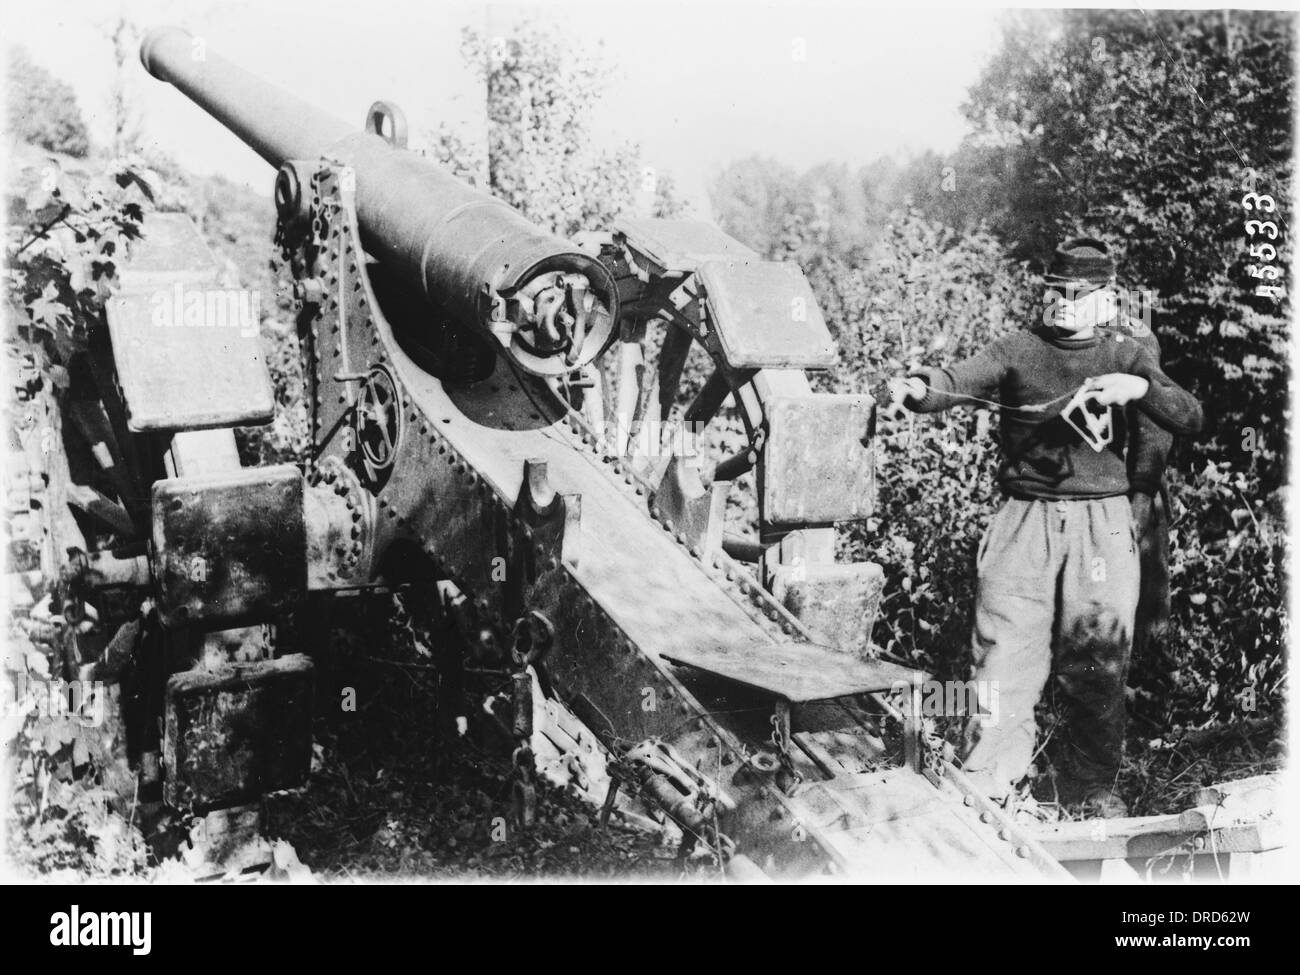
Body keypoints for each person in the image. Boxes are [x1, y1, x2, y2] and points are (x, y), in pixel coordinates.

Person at [885, 237, 1202, 817]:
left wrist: (1141, 389)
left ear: (1107, 301)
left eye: (1077, 294)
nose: (1061, 302)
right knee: (1003, 653)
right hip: (1024, 521)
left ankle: (1091, 788)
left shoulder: (1129, 353)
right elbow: (955, 379)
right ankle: (991, 784)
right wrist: (916, 387)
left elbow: (1189, 415)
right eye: (1054, 291)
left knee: (1097, 660)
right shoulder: (1018, 349)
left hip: (1101, 524)